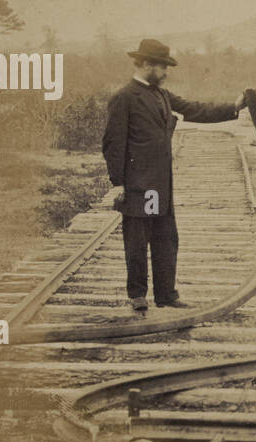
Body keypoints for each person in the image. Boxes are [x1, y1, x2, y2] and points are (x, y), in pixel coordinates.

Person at [101, 38, 247, 312]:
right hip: (137, 185)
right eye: (162, 67)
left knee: (166, 239)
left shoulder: (163, 95)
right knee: (136, 241)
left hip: (161, 186)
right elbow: (113, 142)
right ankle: (137, 296)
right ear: (146, 65)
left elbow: (195, 109)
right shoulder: (123, 98)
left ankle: (167, 295)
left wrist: (233, 107)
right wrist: (117, 183)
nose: (166, 72)